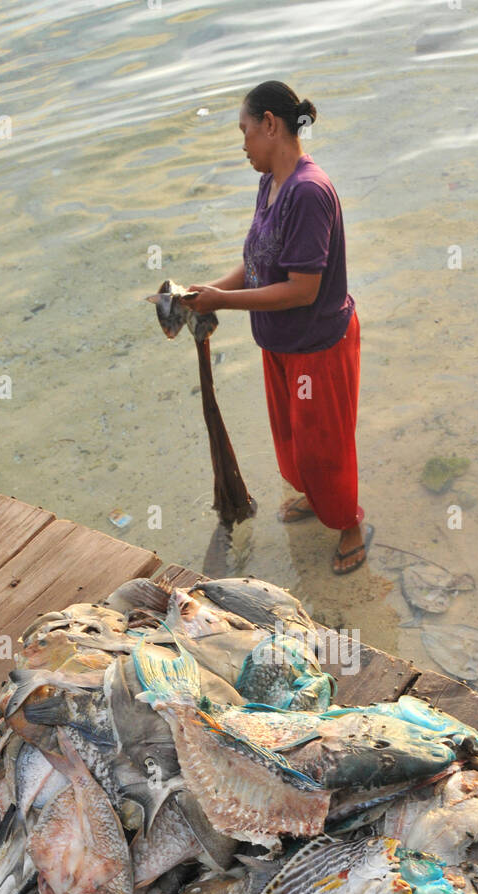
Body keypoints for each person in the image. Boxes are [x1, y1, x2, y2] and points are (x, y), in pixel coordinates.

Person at [186, 80, 371, 575]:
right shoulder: (269, 183)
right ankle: (316, 496)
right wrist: (208, 291)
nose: (243, 144)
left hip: (317, 345)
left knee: (324, 447)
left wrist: (224, 300)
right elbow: (258, 264)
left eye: (245, 132)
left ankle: (350, 524)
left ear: (271, 125)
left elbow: (303, 290)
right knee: (293, 443)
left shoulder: (309, 193)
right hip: (281, 343)